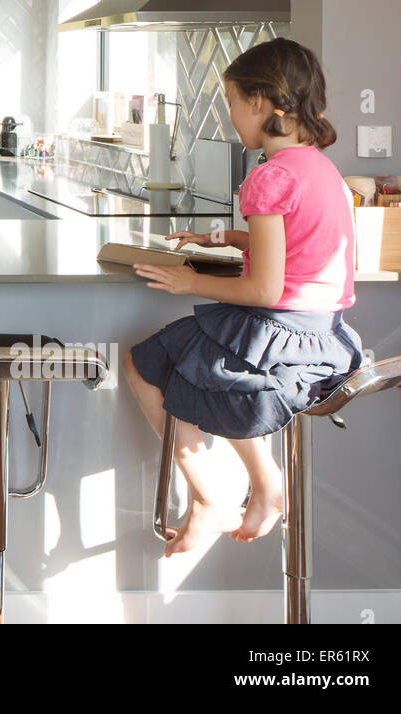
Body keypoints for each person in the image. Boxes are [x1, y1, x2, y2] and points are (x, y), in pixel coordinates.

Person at [123, 38, 362, 556]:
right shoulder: (322, 169)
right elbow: (303, 251)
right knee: (206, 368)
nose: (230, 114)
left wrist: (189, 282)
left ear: (258, 102)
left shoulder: (267, 178)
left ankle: (212, 496)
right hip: (323, 336)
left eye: (231, 102)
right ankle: (266, 484)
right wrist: (232, 239)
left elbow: (263, 289)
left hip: (276, 333)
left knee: (147, 365)